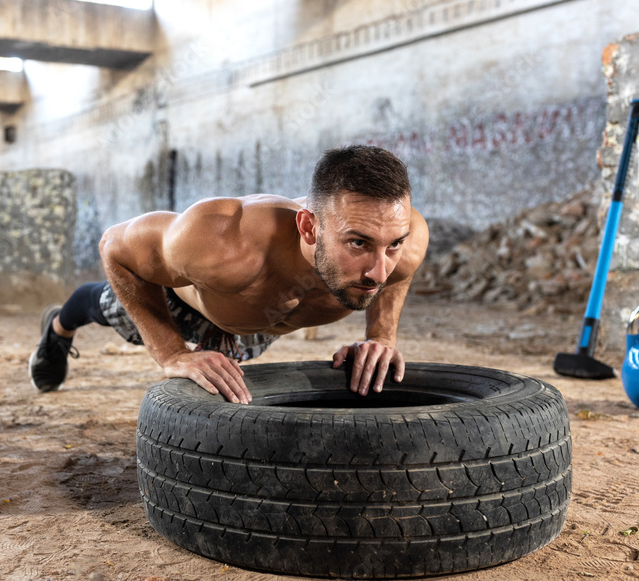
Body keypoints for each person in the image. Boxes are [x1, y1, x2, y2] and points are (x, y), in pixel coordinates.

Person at [28, 145, 428, 404]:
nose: (379, 272)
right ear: (308, 227)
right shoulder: (220, 241)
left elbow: (396, 272)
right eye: (357, 243)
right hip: (189, 301)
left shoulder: (404, 241)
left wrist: (380, 337)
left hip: (254, 321)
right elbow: (113, 247)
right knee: (98, 303)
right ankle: (58, 330)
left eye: (392, 244)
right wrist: (171, 353)